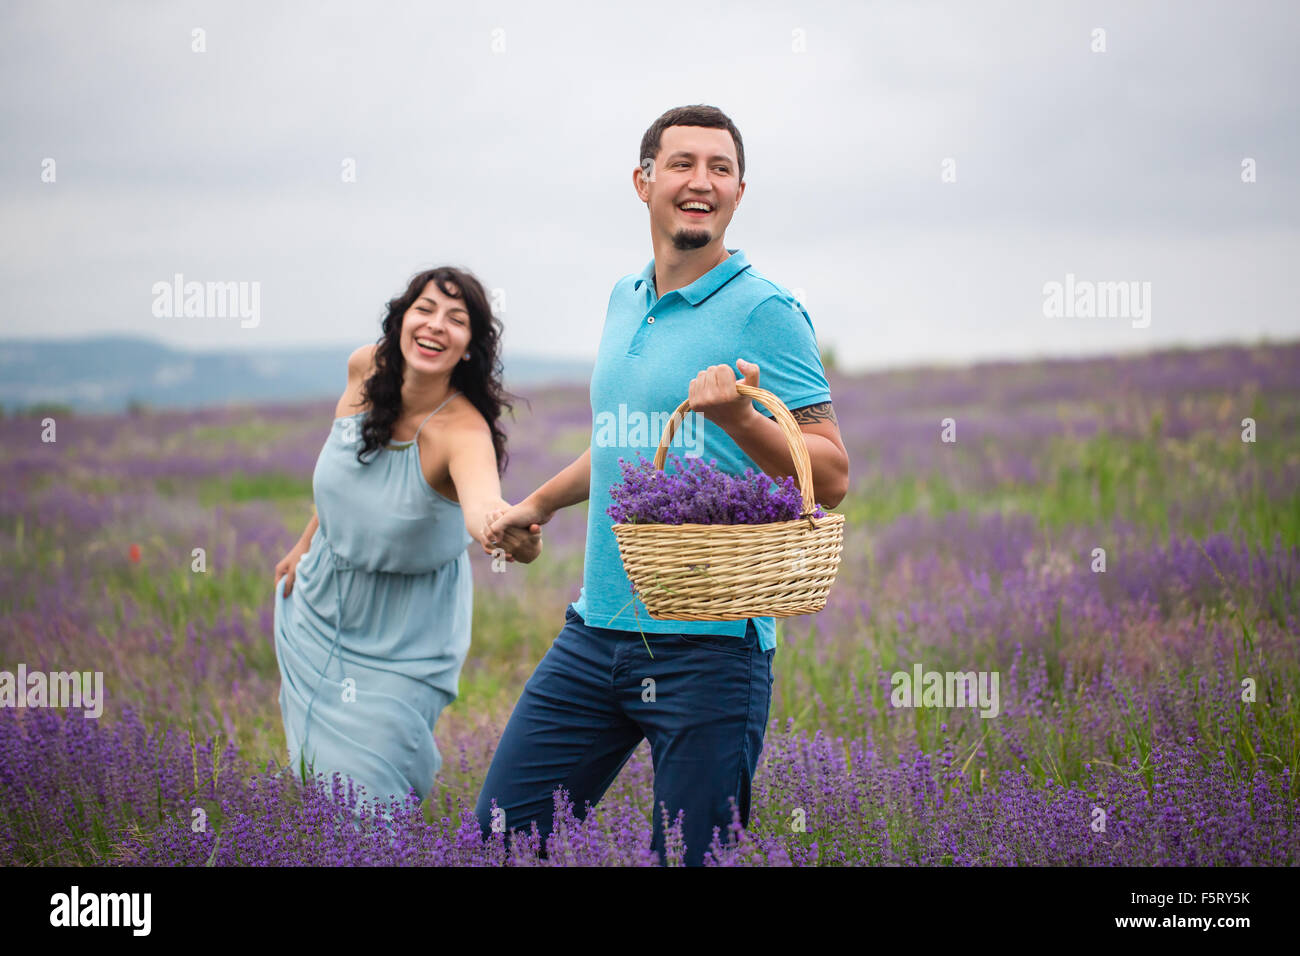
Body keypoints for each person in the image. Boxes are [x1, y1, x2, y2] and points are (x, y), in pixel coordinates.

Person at [477, 104, 850, 865]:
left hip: (712, 650)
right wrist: (538, 503)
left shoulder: (767, 311)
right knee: (499, 841)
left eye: (719, 168)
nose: (700, 182)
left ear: (740, 191)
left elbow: (832, 472)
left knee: (693, 860)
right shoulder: (624, 300)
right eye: (682, 164)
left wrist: (744, 422)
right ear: (644, 181)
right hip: (598, 629)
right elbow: (621, 443)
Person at [272, 265, 541, 823]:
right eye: (424, 309)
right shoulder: (363, 367)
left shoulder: (462, 433)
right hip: (320, 607)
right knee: (322, 785)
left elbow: (483, 509)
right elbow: (344, 482)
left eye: (456, 319)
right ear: (400, 319)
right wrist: (305, 543)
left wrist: (510, 532)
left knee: (373, 795)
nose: (436, 325)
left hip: (406, 635)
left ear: (470, 347)